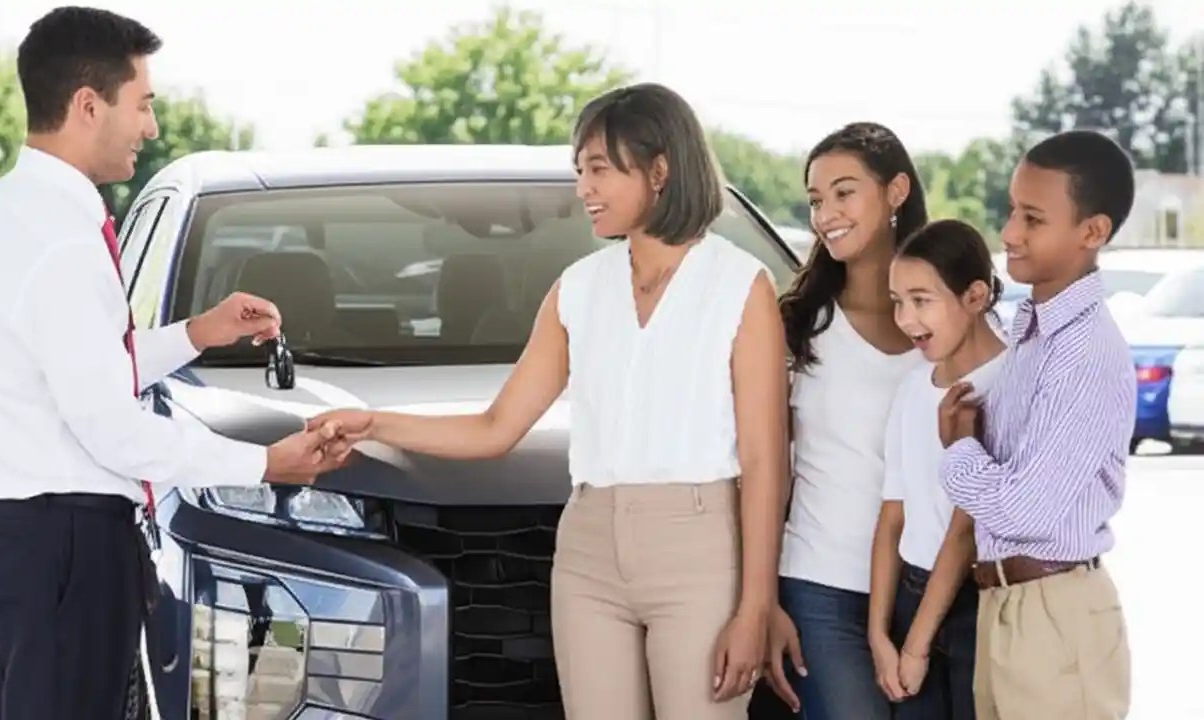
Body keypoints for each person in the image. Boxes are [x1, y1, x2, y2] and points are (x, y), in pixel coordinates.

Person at [308, 82, 791, 719]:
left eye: (598, 169)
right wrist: (373, 423)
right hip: (589, 548)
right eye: (579, 170)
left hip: (701, 549)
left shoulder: (739, 286)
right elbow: (495, 428)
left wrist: (756, 604)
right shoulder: (578, 289)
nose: (583, 188)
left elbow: (765, 462)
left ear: (660, 170)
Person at [0, 8, 348, 719]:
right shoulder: (61, 241)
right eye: (142, 104)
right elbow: (111, 427)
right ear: (87, 105)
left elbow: (87, 366)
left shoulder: (7, 209)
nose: (151, 128)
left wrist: (197, 332)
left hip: (34, 537)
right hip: (69, 545)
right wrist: (266, 465)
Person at [939, 129, 1136, 720]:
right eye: (1010, 210)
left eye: (1032, 217)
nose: (1007, 233)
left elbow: (1025, 511)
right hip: (1009, 606)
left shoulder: (1084, 351)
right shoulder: (1035, 332)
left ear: (1092, 232)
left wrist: (959, 449)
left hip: (1056, 615)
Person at [770, 121, 929, 720]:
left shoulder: (951, 319)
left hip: (927, 591)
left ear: (896, 192)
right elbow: (767, 470)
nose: (825, 213)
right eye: (815, 200)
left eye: (844, 192)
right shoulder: (797, 323)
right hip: (821, 585)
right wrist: (762, 600)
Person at [867, 219, 1007, 720]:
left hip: (977, 604)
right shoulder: (911, 390)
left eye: (921, 300)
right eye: (897, 300)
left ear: (974, 295)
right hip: (910, 597)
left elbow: (964, 528)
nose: (904, 318)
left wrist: (916, 645)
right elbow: (892, 516)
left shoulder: (1008, 386)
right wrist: (879, 634)